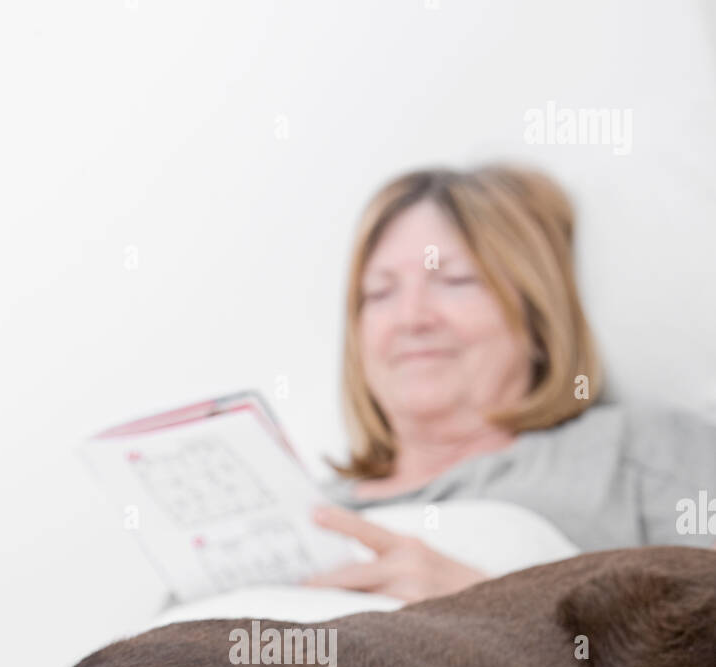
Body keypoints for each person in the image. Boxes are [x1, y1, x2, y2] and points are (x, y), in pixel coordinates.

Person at [306, 164, 716, 601]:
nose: (412, 318)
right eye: (380, 292)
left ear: (539, 318)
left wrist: (488, 606)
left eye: (456, 282)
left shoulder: (632, 456)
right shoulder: (308, 509)